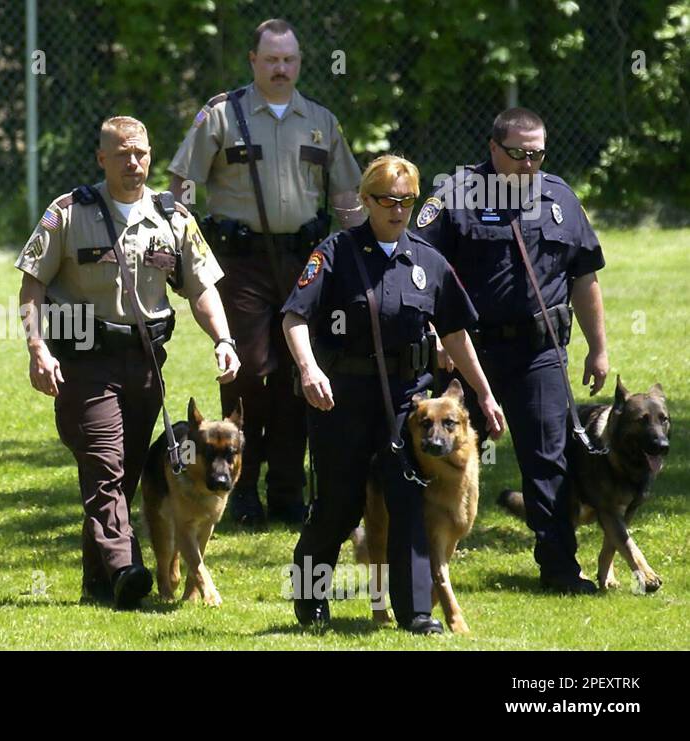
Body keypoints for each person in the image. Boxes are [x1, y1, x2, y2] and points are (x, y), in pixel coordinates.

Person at [17, 116, 240, 609]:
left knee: (125, 472)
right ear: (102, 158)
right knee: (105, 466)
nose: (133, 162)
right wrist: (38, 348)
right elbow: (32, 285)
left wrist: (223, 338)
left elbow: (201, 288)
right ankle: (127, 567)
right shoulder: (68, 213)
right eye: (121, 154)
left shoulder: (173, 217)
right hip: (86, 363)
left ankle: (99, 583)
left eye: (140, 153)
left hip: (145, 366)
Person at [281, 155, 507, 633]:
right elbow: (294, 317)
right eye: (386, 200)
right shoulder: (336, 253)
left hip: (407, 403)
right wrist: (308, 370)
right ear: (365, 200)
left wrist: (484, 394)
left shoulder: (428, 261)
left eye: (405, 200)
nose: (398, 210)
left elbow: (456, 334)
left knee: (408, 502)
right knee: (338, 505)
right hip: (340, 398)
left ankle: (417, 613)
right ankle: (310, 600)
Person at [168, 18, 366, 528]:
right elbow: (182, 185)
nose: (281, 69)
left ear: (300, 63)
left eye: (290, 60)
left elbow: (346, 195)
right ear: (253, 61)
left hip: (305, 263)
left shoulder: (320, 120)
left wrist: (365, 252)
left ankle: (287, 492)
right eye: (272, 59)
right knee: (249, 374)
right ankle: (240, 486)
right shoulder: (221, 116)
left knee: (299, 379)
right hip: (240, 264)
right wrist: (177, 245)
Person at [414, 107, 609, 594]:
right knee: (435, 455)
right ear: (494, 148)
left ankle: (560, 568)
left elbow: (583, 276)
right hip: (466, 353)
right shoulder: (455, 196)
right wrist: (434, 334)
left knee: (550, 459)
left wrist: (597, 348)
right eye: (519, 154)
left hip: (539, 352)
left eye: (538, 153)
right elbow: (415, 269)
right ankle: (422, 562)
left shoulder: (560, 196)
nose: (529, 163)